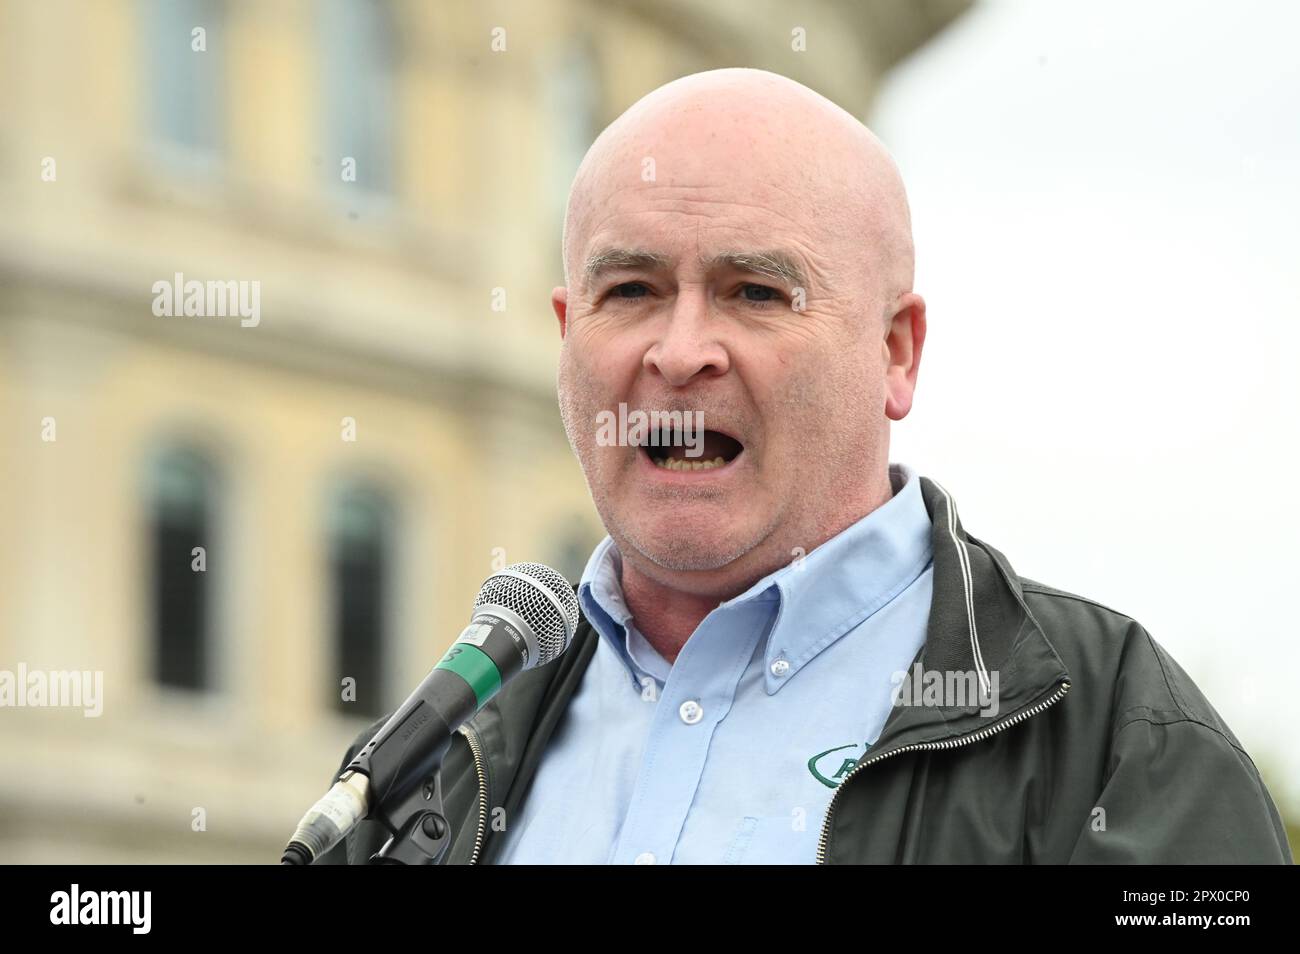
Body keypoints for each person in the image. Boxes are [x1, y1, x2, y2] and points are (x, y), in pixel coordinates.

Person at [316, 68, 1292, 864]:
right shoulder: (441, 763)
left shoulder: (1116, 742)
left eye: (754, 291)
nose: (679, 350)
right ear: (568, 337)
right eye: (631, 291)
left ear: (895, 352)